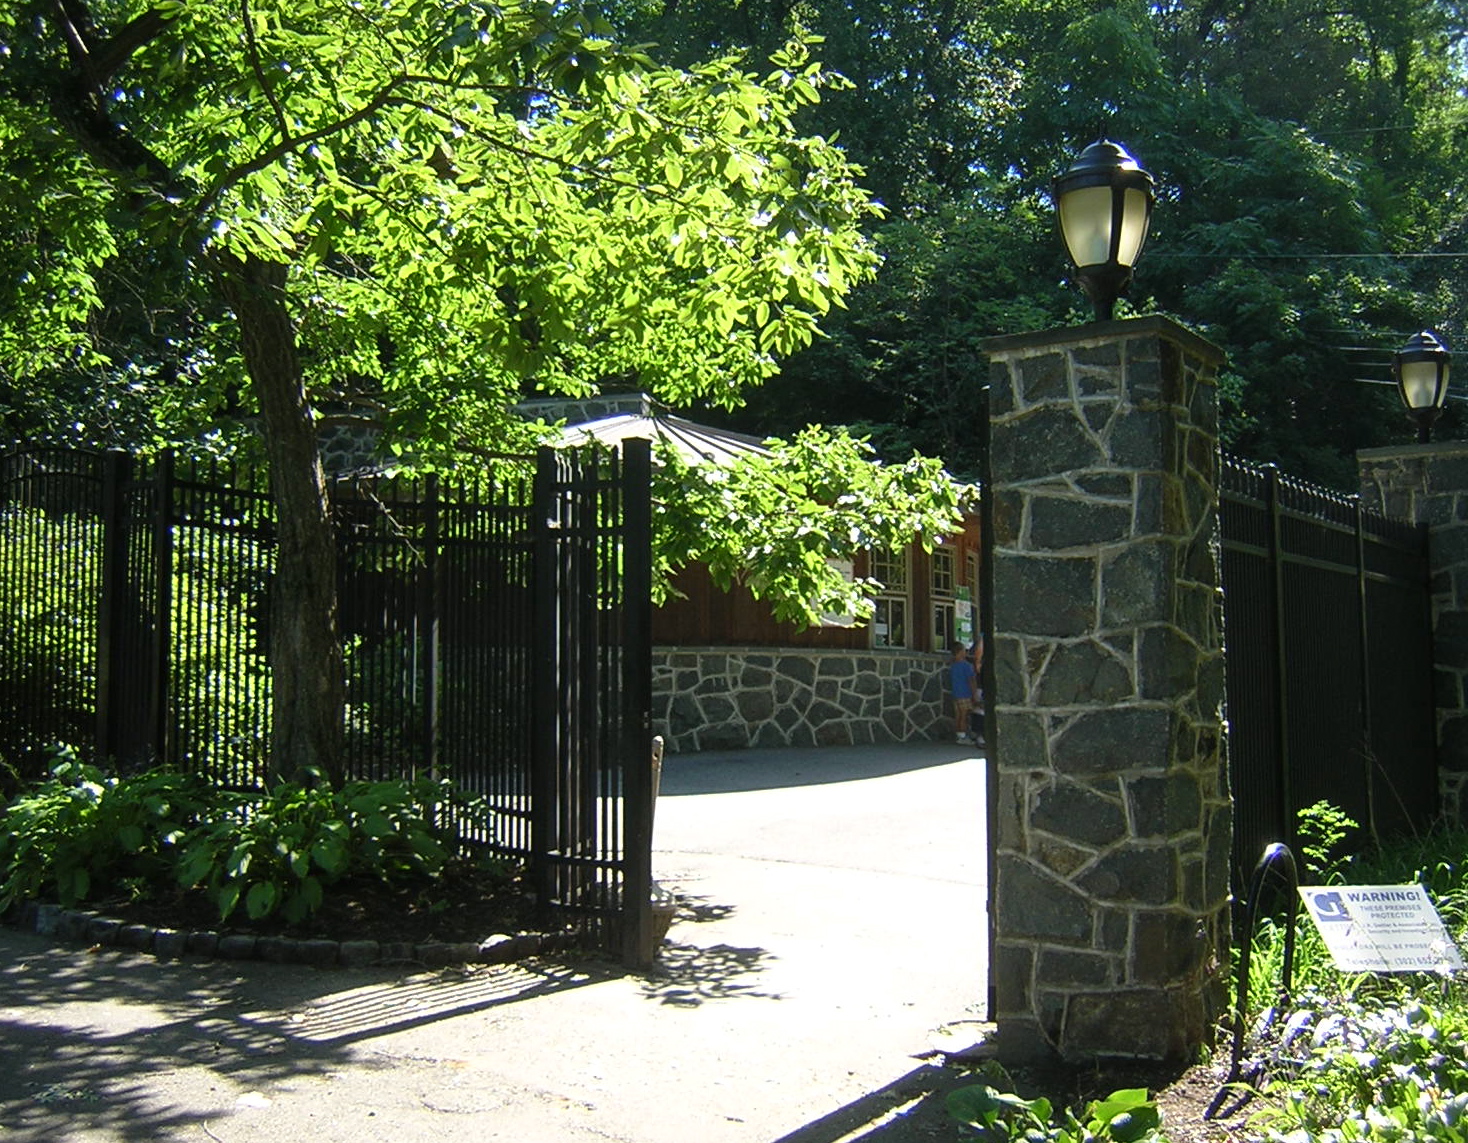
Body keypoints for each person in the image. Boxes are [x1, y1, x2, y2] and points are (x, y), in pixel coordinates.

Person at [949, 642, 979, 745]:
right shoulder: (967, 666)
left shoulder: (953, 666)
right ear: (961, 652)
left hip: (956, 693)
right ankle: (963, 736)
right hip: (965, 694)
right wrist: (974, 694)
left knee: (958, 715)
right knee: (964, 715)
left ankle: (958, 735)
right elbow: (971, 680)